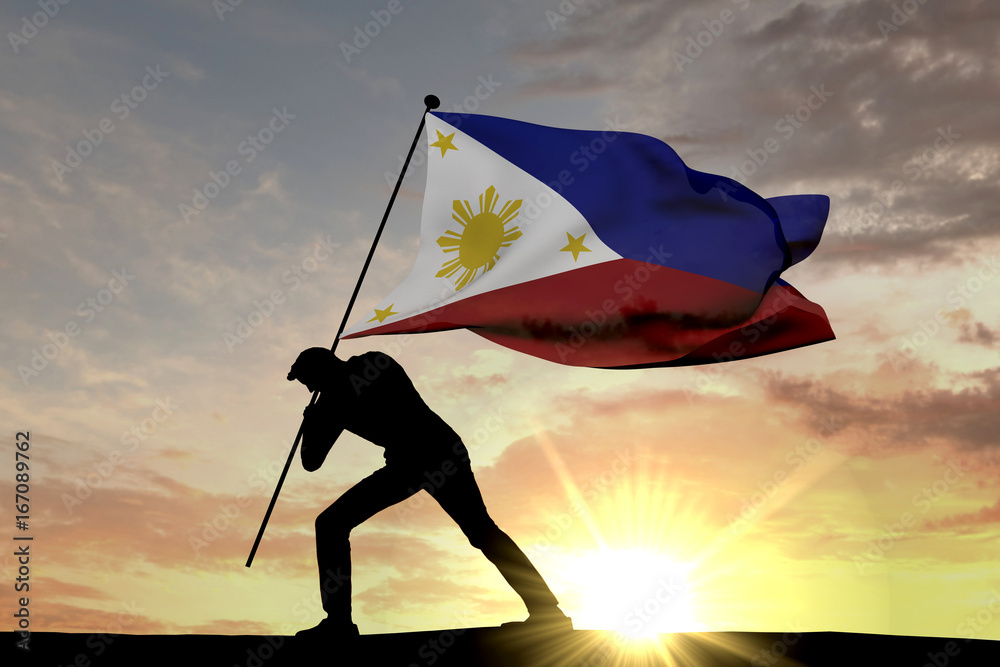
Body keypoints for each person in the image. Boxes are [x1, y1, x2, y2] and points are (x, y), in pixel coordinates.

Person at [287, 347, 571, 641]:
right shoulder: (331, 404)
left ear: (323, 369)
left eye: (308, 380)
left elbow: (385, 397)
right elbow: (311, 462)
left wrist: (325, 412)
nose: (309, 389)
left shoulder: (372, 363)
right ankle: (338, 623)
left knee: (480, 530)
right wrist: (312, 424)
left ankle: (547, 611)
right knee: (332, 524)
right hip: (409, 462)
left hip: (437, 452)